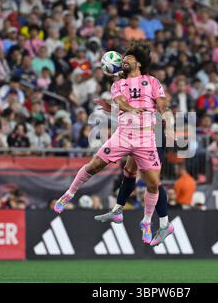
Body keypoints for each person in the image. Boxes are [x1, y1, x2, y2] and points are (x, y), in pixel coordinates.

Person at [53, 42, 173, 246]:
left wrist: (166, 116)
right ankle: (68, 194)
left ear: (139, 62)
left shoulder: (152, 82)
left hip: (145, 138)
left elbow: (161, 103)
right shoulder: (118, 84)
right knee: (95, 165)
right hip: (124, 135)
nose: (124, 59)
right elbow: (120, 102)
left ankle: (146, 222)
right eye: (123, 57)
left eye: (129, 57)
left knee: (153, 183)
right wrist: (129, 109)